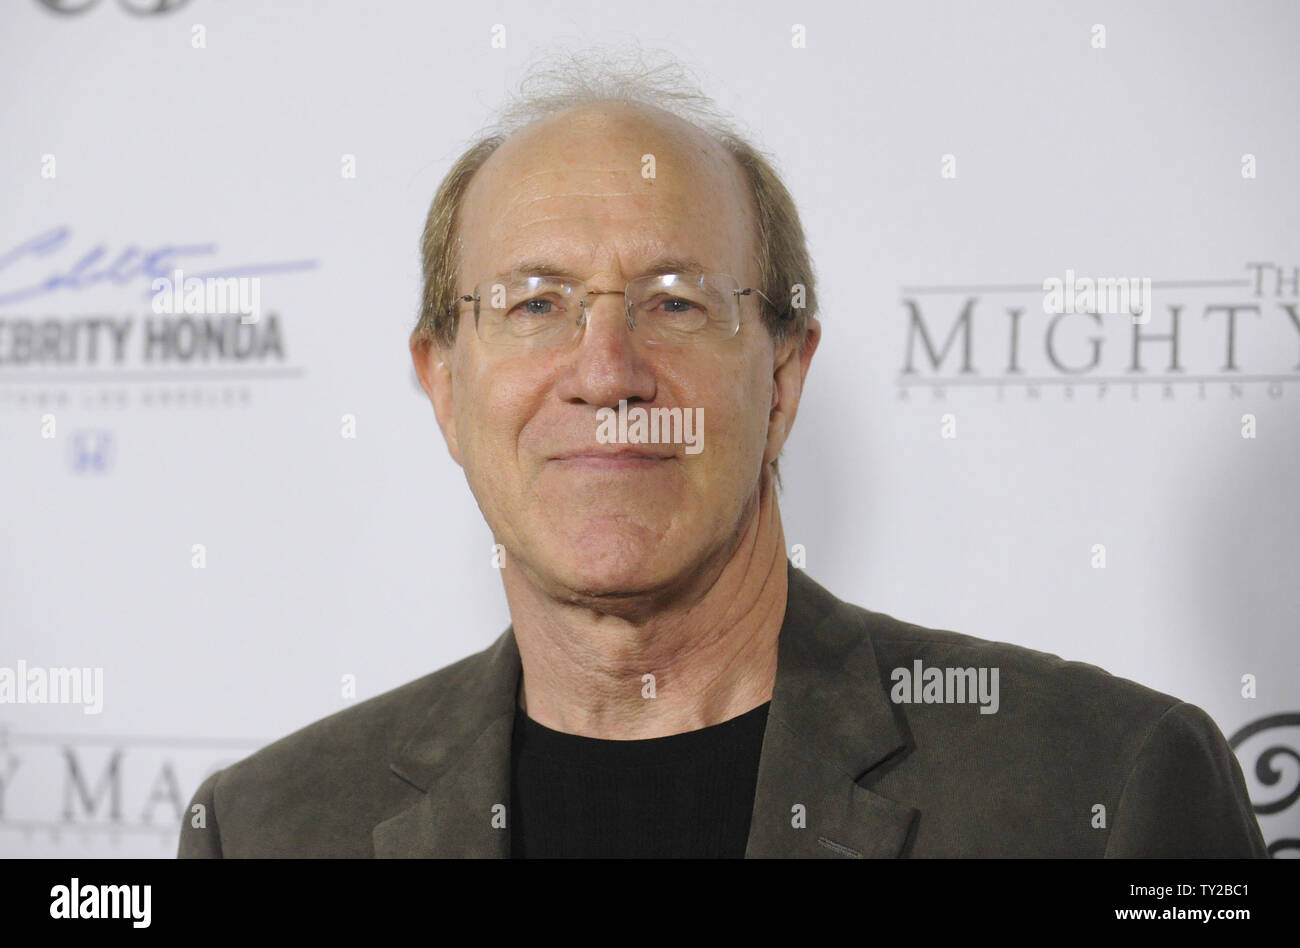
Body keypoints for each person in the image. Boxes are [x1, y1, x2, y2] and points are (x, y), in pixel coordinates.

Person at [178, 50, 1266, 859]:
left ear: (782, 375)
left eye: (677, 301)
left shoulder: (1108, 790)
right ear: (443, 385)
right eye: (535, 303)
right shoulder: (266, 829)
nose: (605, 371)